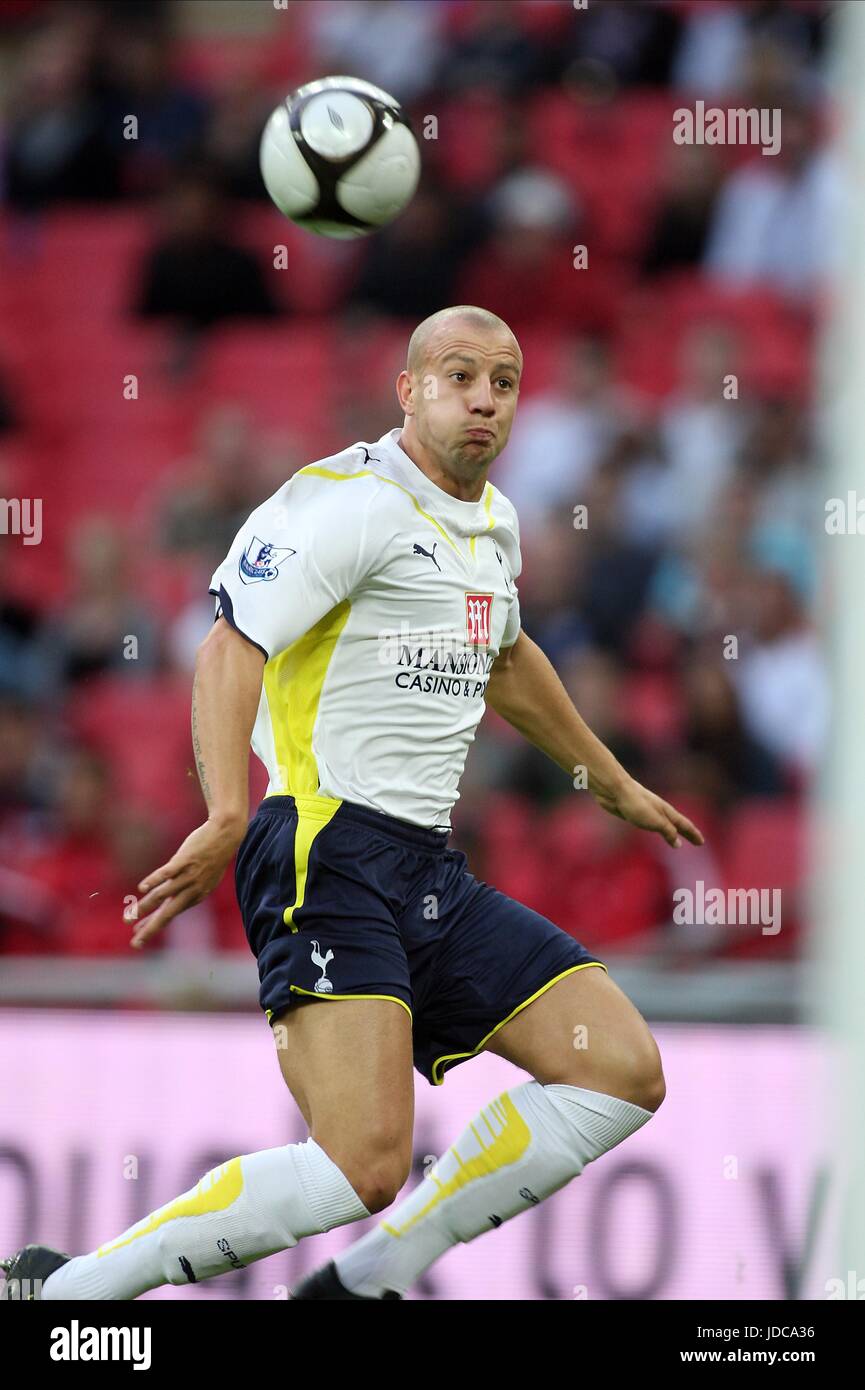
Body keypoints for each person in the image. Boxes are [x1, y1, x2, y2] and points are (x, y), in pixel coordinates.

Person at [2, 305, 702, 1303]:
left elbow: (504, 657)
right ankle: (70, 1291)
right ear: (408, 390)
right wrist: (227, 811)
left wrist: (610, 777)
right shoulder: (344, 501)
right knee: (359, 1162)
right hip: (319, 846)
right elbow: (228, 644)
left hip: (426, 867)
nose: (484, 400)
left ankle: (368, 1280)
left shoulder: (493, 524)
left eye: (502, 382)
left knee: (622, 1068)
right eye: (459, 377)